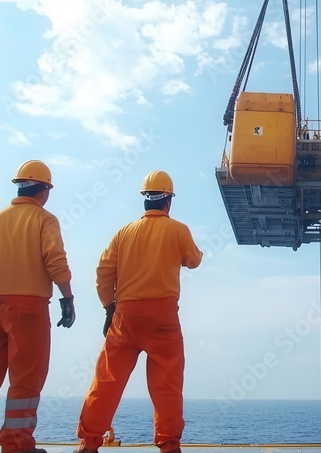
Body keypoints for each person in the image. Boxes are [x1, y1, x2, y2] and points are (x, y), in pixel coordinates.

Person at [0, 159, 76, 453]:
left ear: (18, 187)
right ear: (44, 192)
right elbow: (55, 262)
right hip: (28, 309)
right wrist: (67, 299)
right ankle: (17, 446)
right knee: (25, 382)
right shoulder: (45, 220)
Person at [76, 170, 203, 453]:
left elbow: (103, 272)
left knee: (107, 381)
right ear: (168, 201)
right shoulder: (178, 230)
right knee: (167, 385)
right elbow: (194, 260)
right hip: (163, 318)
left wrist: (109, 307)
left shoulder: (124, 233)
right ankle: (168, 445)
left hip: (125, 316)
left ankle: (89, 443)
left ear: (145, 201)